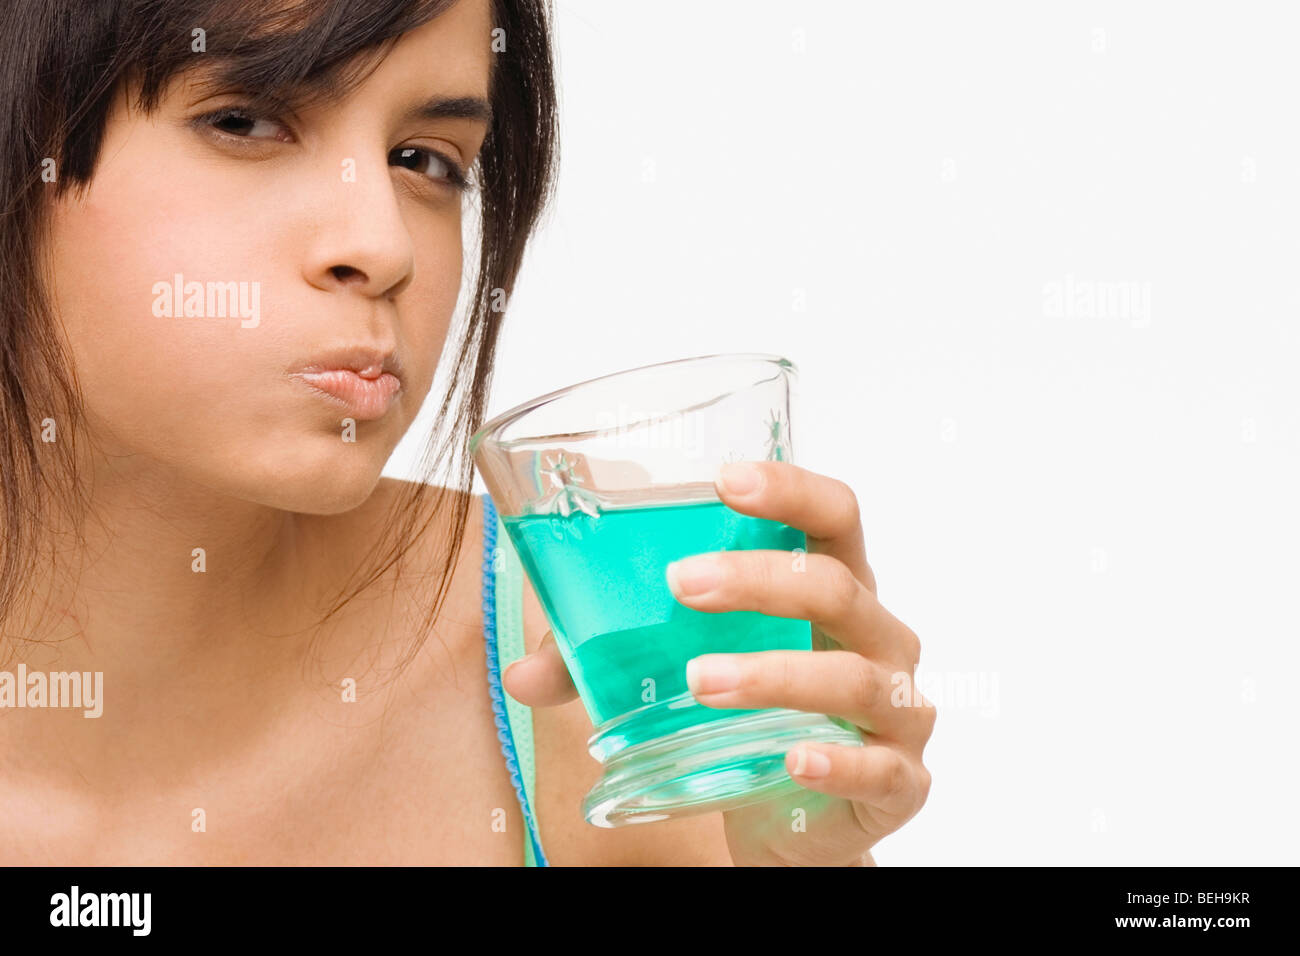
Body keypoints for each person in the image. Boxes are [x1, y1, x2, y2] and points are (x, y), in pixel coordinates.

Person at [0, 0, 933, 865]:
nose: (385, 245)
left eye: (426, 160)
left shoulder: (580, 650)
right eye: (245, 120)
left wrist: (790, 858)